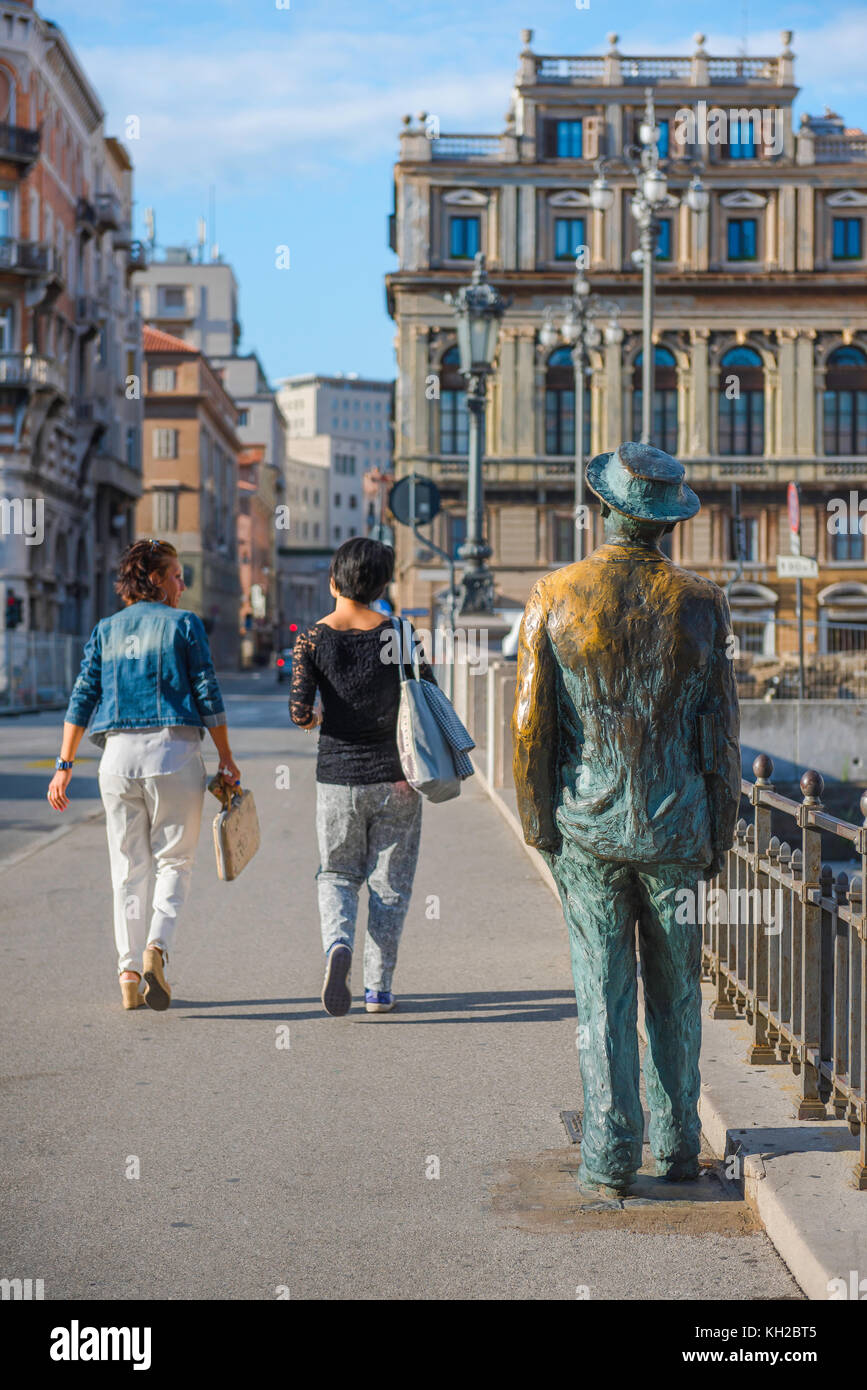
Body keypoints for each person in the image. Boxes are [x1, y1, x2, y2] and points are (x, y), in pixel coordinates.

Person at [512, 443, 740, 1197]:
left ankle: (608, 1155)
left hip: (587, 829)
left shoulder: (555, 592)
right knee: (675, 988)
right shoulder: (701, 603)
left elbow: (528, 727)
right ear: (669, 522)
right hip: (676, 827)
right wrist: (719, 829)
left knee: (599, 989)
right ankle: (677, 1143)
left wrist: (538, 823)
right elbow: (720, 736)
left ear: (603, 508)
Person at [47, 539, 241, 1012]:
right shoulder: (185, 625)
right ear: (154, 579)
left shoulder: (105, 630)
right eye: (176, 575)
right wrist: (226, 758)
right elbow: (206, 692)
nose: (182, 584)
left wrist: (64, 765)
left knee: (127, 870)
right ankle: (157, 946)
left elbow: (82, 697)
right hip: (172, 754)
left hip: (115, 761)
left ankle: (129, 973)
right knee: (175, 862)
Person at [290, 537, 434, 1016]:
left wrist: (318, 720)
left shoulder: (313, 638)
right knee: (389, 886)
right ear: (381, 585)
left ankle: (338, 946)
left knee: (337, 873)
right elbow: (426, 695)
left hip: (337, 778)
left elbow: (298, 712)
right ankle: (378, 990)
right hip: (398, 778)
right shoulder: (401, 633)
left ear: (334, 581)